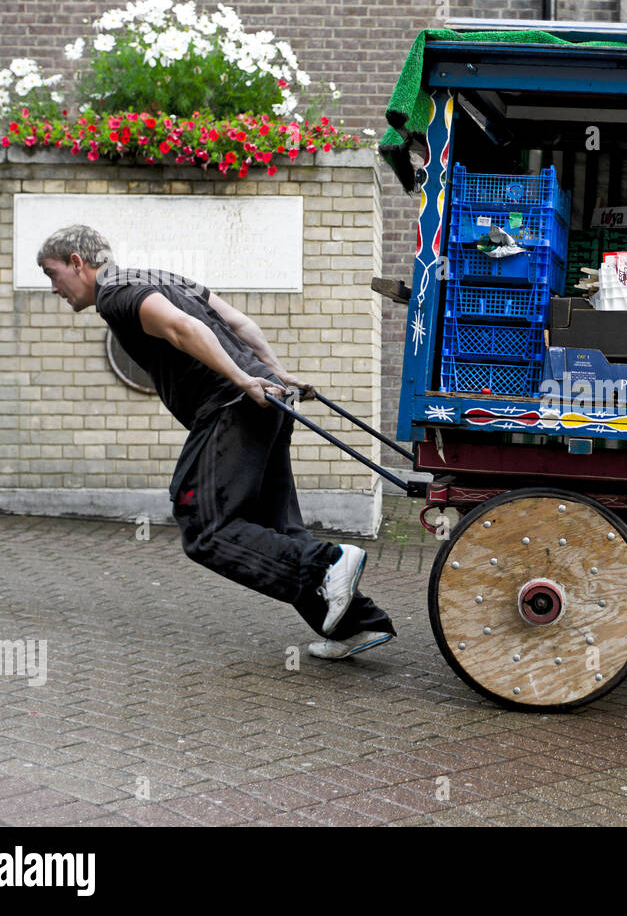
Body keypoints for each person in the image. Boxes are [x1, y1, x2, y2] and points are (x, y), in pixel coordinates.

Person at [37, 225, 396, 659]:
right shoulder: (159, 276)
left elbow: (181, 328)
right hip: (265, 403)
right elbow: (238, 322)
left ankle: (326, 563)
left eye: (52, 273)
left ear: (77, 262)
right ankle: (355, 626)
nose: (53, 287)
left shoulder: (114, 293)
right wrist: (274, 373)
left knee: (203, 524)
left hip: (231, 407)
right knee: (276, 529)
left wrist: (244, 380)